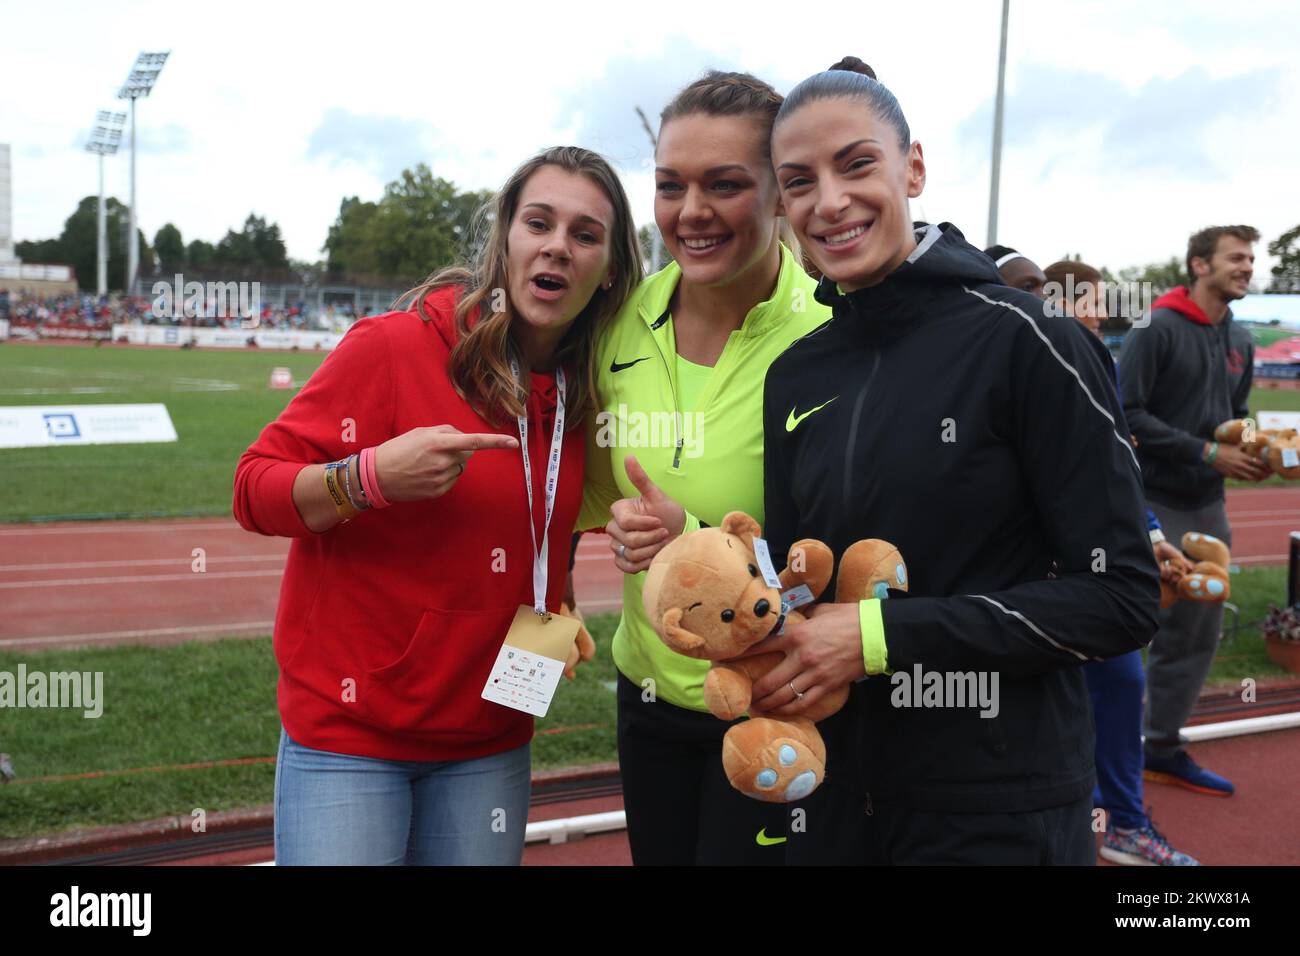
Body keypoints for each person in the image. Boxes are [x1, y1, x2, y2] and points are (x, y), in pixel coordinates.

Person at [745, 56, 1160, 865]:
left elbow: (1121, 597)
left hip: (996, 807)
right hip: (832, 798)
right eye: (798, 182)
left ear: (915, 168)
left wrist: (875, 637)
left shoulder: (1030, 339)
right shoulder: (796, 372)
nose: (829, 202)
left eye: (856, 164)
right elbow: (796, 575)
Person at [232, 146, 641, 865]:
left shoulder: (589, 390)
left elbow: (554, 519)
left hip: (491, 739)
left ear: (608, 268)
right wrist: (367, 478)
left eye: (584, 233)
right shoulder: (393, 348)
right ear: (505, 241)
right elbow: (253, 488)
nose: (556, 246)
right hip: (351, 738)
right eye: (537, 222)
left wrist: (557, 604)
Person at [573, 71, 831, 865]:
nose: (691, 212)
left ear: (782, 193)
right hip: (647, 694)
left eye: (724, 185)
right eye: (670, 185)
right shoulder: (613, 323)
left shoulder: (832, 329)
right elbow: (566, 489)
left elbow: (855, 553)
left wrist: (698, 541)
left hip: (778, 702)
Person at [1045, 259, 1200, 865]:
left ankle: (1122, 821)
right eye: (1087, 303)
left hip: (1093, 565)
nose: (1099, 314)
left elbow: (1119, 467)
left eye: (1101, 303)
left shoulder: (1098, 361)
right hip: (1036, 572)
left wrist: (1153, 532)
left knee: (1118, 679)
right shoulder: (1009, 354)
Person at [1118, 225, 1267, 798]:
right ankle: (1090, 745)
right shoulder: (1155, 326)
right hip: (1152, 503)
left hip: (1210, 506)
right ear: (1199, 265)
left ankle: (1160, 744)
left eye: (1251, 258)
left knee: (1199, 627)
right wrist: (1206, 451)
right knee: (1128, 625)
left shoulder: (1241, 337)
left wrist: (1252, 446)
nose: (1247, 267)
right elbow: (1126, 412)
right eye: (1236, 257)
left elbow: (1239, 412)